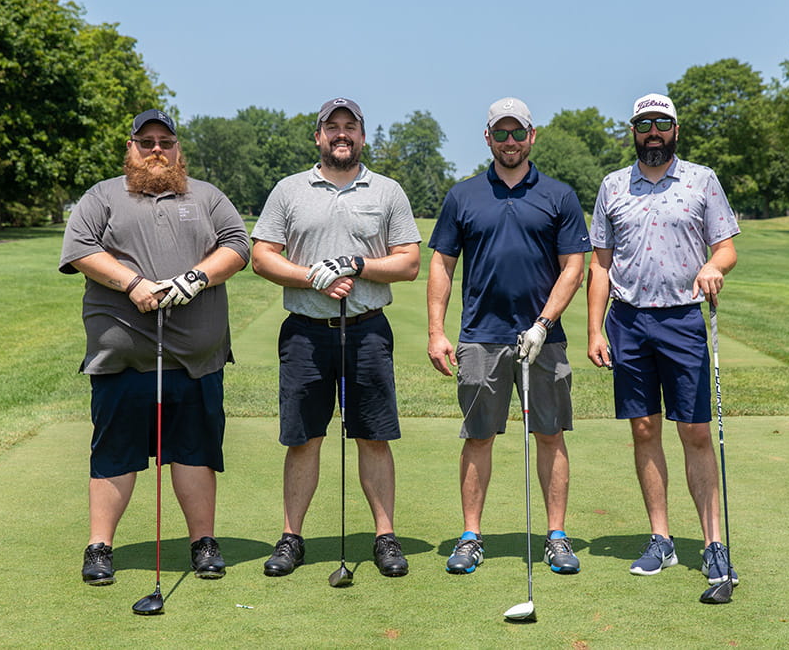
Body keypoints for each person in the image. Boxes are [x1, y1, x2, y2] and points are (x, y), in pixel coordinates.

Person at [60, 108, 250, 586]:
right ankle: (99, 547)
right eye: (146, 142)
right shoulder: (102, 196)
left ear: (178, 149)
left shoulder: (207, 196)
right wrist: (133, 284)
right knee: (115, 454)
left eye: (165, 141)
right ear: (131, 148)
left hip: (196, 360)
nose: (157, 150)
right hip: (122, 358)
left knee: (195, 452)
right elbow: (80, 247)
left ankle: (203, 543)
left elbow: (238, 245)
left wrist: (196, 277)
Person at [251, 97, 420, 578]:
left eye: (351, 127)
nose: (341, 134)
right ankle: (291, 538)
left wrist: (356, 264)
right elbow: (262, 256)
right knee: (303, 438)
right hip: (305, 333)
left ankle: (385, 537)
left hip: (367, 331)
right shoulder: (289, 191)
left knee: (373, 436)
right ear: (318, 136)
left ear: (363, 137)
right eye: (332, 127)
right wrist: (312, 276)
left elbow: (408, 262)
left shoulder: (386, 191)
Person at [428, 97, 591, 575]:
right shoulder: (463, 195)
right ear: (487, 139)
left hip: (546, 338)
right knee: (479, 436)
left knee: (549, 433)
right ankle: (471, 536)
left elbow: (573, 267)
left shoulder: (559, 196)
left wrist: (542, 324)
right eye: (500, 133)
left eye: (517, 132)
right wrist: (437, 331)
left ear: (531, 135)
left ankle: (556, 536)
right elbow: (442, 263)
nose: (510, 141)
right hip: (481, 336)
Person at [586, 93, 741, 587]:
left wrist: (714, 268)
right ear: (633, 131)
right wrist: (594, 328)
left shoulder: (702, 180)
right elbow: (600, 265)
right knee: (644, 430)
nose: (652, 131)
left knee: (694, 432)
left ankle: (713, 543)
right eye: (643, 124)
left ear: (675, 128)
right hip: (627, 322)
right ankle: (662, 539)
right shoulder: (613, 186)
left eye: (661, 123)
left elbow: (726, 248)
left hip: (682, 322)